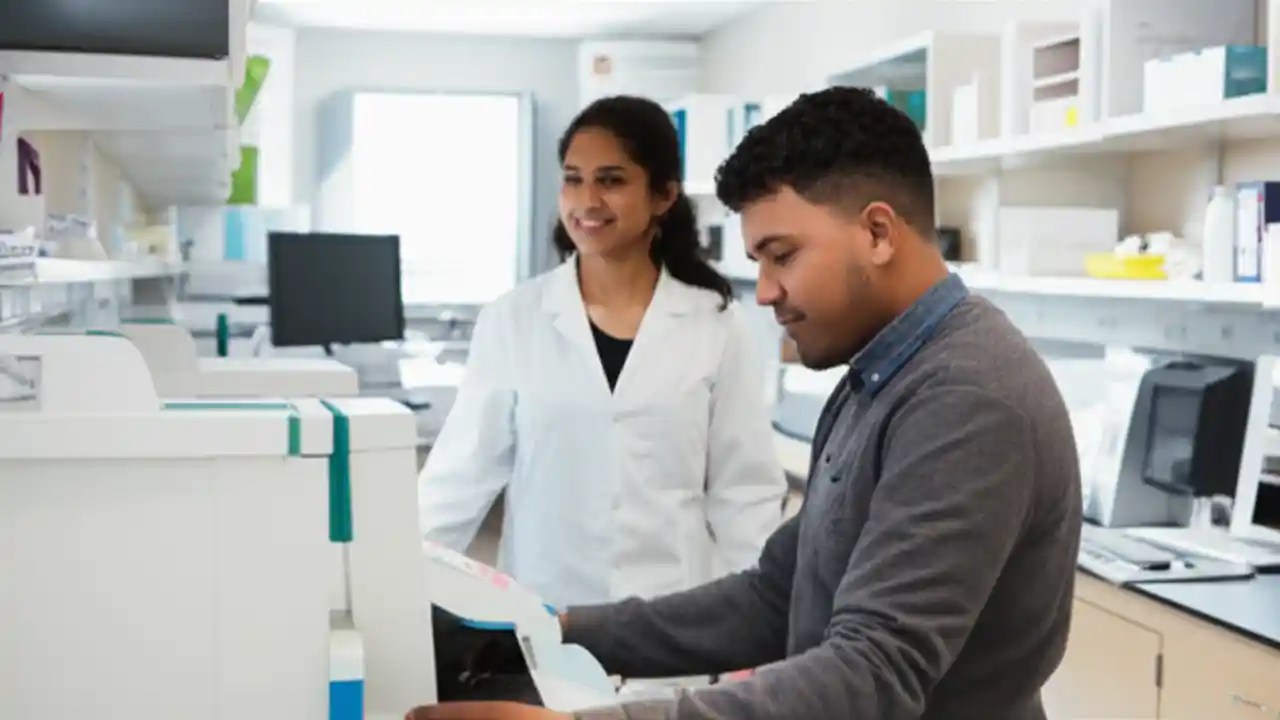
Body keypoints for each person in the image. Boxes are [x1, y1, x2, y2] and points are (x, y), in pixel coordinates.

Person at [407, 87, 1083, 720]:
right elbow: (774, 594)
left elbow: (875, 671)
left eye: (781, 255)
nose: (763, 292)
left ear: (877, 233)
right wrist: (562, 628)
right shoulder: (876, 378)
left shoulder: (965, 398)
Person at [417, 95, 787, 611]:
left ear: (663, 195)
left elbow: (743, 496)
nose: (586, 200)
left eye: (611, 180)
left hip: (674, 624)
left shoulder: (717, 325)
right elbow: (459, 480)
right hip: (542, 618)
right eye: (573, 178)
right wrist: (396, 594)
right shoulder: (514, 319)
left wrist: (754, 630)